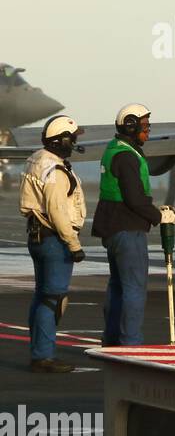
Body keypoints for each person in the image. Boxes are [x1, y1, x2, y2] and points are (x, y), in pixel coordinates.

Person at [90, 103, 175, 346]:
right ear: (130, 125)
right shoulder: (127, 156)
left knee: (118, 286)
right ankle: (131, 344)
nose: (147, 130)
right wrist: (159, 217)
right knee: (134, 289)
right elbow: (135, 199)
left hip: (113, 227)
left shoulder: (114, 149)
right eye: (144, 125)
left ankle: (112, 340)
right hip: (128, 229)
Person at [18, 116, 87, 372]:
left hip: (37, 237)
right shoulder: (55, 170)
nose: (75, 142)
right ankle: (44, 357)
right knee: (53, 298)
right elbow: (57, 211)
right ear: (62, 140)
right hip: (54, 239)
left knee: (42, 295)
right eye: (73, 137)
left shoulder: (36, 159)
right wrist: (74, 244)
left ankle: (39, 353)